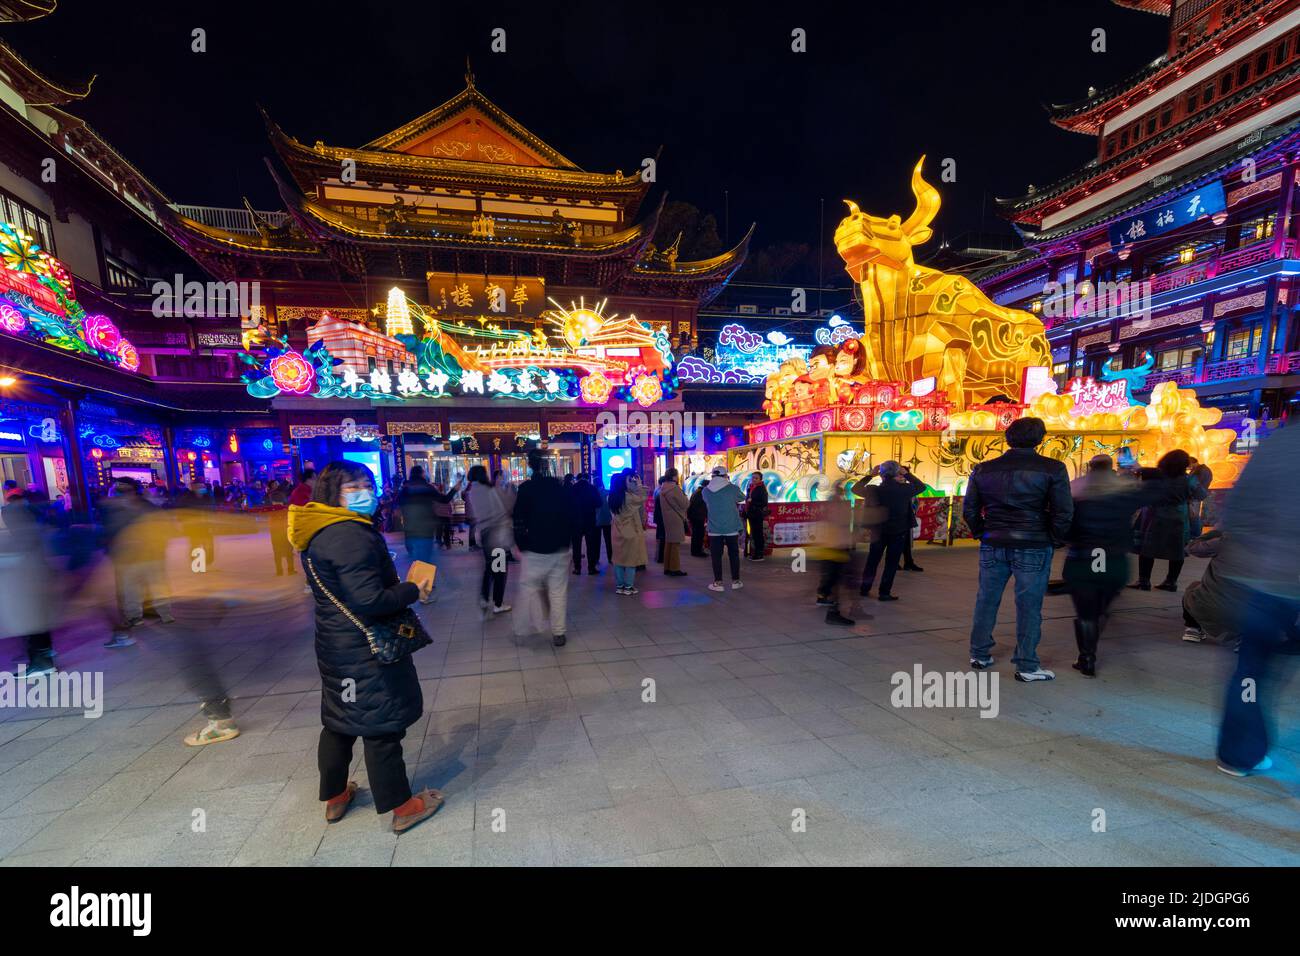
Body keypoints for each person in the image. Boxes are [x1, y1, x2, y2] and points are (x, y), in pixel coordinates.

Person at [287, 460, 441, 833]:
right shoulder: (350, 535)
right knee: (380, 726)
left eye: (367, 484)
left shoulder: (318, 530)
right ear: (332, 494)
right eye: (353, 487)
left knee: (340, 722)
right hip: (365, 649)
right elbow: (369, 600)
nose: (365, 493)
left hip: (336, 645)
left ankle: (336, 796)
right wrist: (411, 590)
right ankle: (404, 807)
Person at [1213, 425, 1300, 777]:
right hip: (1286, 583)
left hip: (1260, 580)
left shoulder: (1276, 442)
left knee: (1249, 670)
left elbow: (1234, 511)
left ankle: (1238, 754)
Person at [963, 416, 1073, 682]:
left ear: (1008, 437)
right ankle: (1026, 664)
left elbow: (969, 509)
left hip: (993, 540)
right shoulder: (1053, 468)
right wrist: (1055, 538)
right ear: (1040, 438)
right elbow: (1064, 511)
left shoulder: (984, 469)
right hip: (1034, 542)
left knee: (986, 599)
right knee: (1029, 604)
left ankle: (980, 654)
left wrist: (982, 531)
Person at [1062, 454, 1164, 677]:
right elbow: (1159, 485)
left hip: (1081, 560)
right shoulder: (1124, 494)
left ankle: (1087, 657)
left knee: (1085, 613)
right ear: (1111, 468)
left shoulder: (1076, 492)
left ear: (1090, 467)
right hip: (1114, 562)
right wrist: (1138, 468)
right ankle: (1092, 641)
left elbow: (1061, 524)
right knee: (1101, 609)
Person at [512, 452, 578, 646]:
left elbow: (518, 520)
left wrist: (521, 544)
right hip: (560, 547)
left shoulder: (525, 489)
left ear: (531, 467)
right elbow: (572, 517)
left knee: (528, 588)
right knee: (558, 591)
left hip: (534, 548)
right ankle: (558, 632)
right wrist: (569, 541)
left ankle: (523, 627)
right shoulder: (560, 489)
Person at [102, 476, 175, 645]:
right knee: (154, 585)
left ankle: (139, 616)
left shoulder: (116, 509)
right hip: (149, 555)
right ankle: (164, 614)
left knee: (133, 587)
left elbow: (111, 532)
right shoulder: (147, 506)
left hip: (133, 556)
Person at [1130, 449, 1207, 592]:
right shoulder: (1188, 479)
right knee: (1177, 550)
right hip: (1178, 516)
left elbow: (1141, 489)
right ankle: (1171, 582)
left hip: (1154, 515)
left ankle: (1144, 581)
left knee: (1148, 548)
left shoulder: (1156, 475)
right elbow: (1202, 494)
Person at [0, 489, 55, 677]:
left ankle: (41, 662)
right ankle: (44, 654)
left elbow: (19, 548)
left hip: (26, 577)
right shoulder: (33, 515)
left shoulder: (15, 517)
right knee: (36, 617)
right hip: (37, 573)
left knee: (29, 619)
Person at [858, 461, 926, 601]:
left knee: (873, 560)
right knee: (891, 563)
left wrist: (870, 475)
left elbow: (855, 489)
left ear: (881, 474)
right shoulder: (905, 489)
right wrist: (906, 474)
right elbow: (921, 486)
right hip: (898, 531)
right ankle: (884, 592)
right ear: (897, 473)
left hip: (878, 530)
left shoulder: (874, 490)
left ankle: (865, 588)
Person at [466, 465, 512, 613]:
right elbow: (501, 510)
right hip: (496, 534)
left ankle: (484, 598)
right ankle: (498, 604)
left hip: (485, 534)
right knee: (499, 571)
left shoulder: (471, 491)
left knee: (489, 568)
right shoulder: (489, 490)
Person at [813, 481, 856, 626]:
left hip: (832, 548)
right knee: (835, 581)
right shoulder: (837, 505)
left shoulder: (833, 505)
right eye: (841, 490)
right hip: (834, 549)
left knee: (832, 580)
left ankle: (826, 600)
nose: (842, 492)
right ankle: (832, 612)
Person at [397, 466, 459, 566]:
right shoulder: (428, 488)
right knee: (424, 562)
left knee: (416, 561)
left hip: (410, 530)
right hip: (425, 529)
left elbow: (398, 504)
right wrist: (454, 490)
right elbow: (445, 499)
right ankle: (422, 579)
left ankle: (417, 577)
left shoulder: (405, 489)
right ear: (422, 474)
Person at [702, 465, 744, 592]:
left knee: (716, 556)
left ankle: (718, 582)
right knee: (734, 555)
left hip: (714, 528)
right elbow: (742, 498)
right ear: (726, 476)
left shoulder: (705, 490)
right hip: (731, 527)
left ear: (713, 476)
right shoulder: (732, 488)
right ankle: (736, 581)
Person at [610, 468, 647, 595]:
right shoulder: (629, 497)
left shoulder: (611, 497)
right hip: (630, 531)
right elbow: (643, 497)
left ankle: (620, 586)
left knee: (618, 560)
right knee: (631, 561)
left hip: (616, 531)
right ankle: (629, 587)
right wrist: (639, 484)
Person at [658, 468, 689, 577]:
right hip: (676, 518)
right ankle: (675, 568)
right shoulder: (675, 489)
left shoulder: (663, 487)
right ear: (674, 476)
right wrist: (685, 497)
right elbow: (685, 504)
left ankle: (667, 567)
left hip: (667, 518)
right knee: (675, 544)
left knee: (669, 543)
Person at [569, 472, 602, 574]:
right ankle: (591, 568)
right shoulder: (592, 488)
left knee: (576, 545)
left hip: (576, 521)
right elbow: (599, 503)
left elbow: (567, 504)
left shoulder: (573, 488)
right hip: (589, 520)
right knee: (590, 544)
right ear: (588, 479)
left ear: (577, 479)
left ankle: (577, 568)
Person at [745, 471, 769, 560]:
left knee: (758, 534)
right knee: (754, 534)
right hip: (751, 514)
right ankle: (756, 552)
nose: (754, 479)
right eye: (753, 477)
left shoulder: (761, 488)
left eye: (756, 478)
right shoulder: (751, 487)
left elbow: (764, 503)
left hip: (757, 514)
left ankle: (759, 554)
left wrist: (752, 501)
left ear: (760, 479)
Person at [594, 474, 613, 564]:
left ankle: (596, 558)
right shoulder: (607, 492)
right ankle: (610, 558)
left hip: (596, 520)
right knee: (608, 540)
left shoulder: (593, 494)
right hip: (607, 519)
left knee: (596, 541)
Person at [901, 496, 924, 572]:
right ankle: (895, 563)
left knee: (906, 543)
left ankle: (908, 563)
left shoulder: (908, 490)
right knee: (896, 543)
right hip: (897, 520)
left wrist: (913, 510)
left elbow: (915, 502)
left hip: (906, 520)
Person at [687, 484, 708, 557]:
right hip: (698, 517)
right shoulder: (701, 493)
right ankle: (697, 551)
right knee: (698, 534)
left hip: (695, 516)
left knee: (696, 535)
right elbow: (702, 506)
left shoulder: (697, 492)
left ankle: (695, 551)